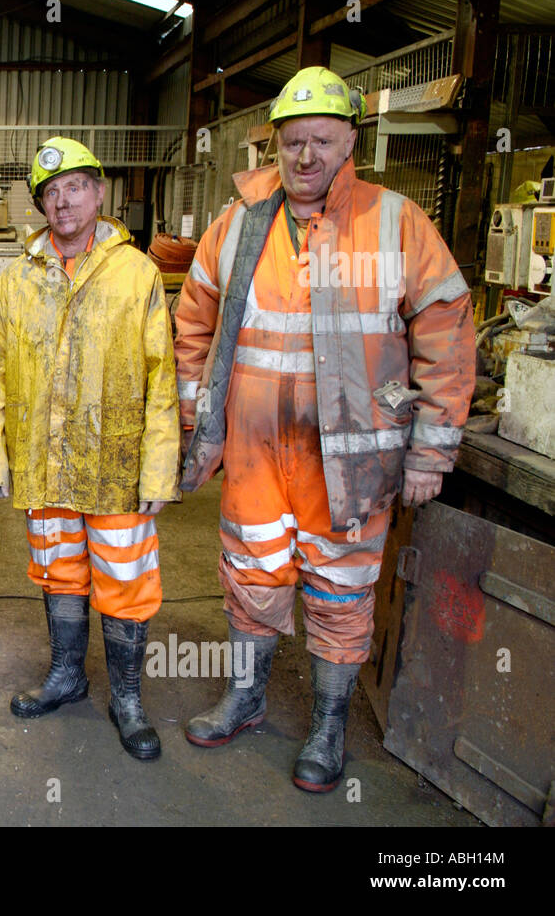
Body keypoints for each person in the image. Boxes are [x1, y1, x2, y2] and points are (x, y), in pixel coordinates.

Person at [175, 67, 475, 791]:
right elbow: (193, 321)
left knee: (340, 589)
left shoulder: (396, 222)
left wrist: (432, 449)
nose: (305, 157)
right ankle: (245, 698)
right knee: (250, 574)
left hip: (348, 458)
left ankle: (328, 723)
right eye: (292, 142)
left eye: (321, 141)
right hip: (252, 453)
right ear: (274, 144)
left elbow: (447, 330)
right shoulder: (241, 224)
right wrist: (198, 420)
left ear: (350, 144)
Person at [0, 138, 179, 759]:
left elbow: (161, 376)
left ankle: (128, 697)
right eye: (50, 192)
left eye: (75, 188)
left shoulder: (135, 272)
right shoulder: (19, 278)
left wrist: (159, 467)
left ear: (100, 193)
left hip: (117, 465)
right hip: (45, 461)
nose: (62, 202)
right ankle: (65, 674)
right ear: (40, 204)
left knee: (124, 578)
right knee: (59, 570)